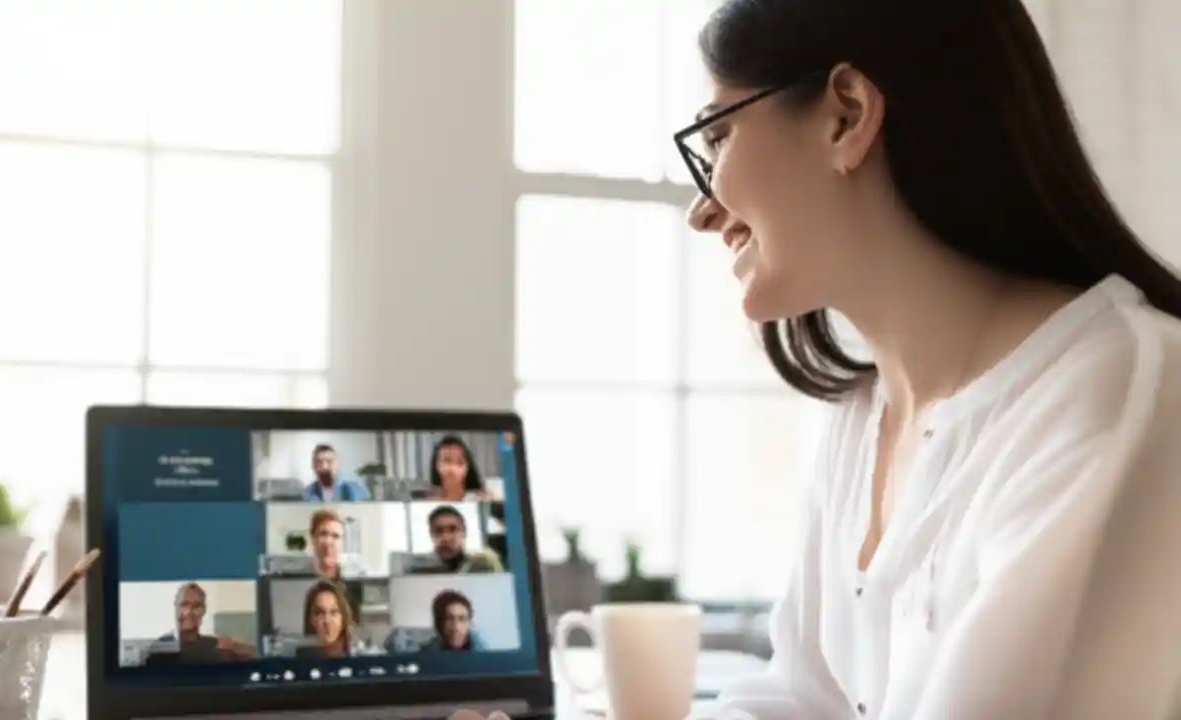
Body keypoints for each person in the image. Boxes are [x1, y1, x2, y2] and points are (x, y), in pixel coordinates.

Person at [462, 0, 1181, 716]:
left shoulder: (1118, 390)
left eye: (718, 138)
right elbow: (801, 699)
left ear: (845, 114)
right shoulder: (865, 416)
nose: (702, 209)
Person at [145, 582, 256, 664]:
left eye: (196, 606)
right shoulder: (161, 648)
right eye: (184, 605)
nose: (189, 612)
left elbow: (261, 656)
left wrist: (236, 648)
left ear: (204, 611)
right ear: (176, 608)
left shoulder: (215, 646)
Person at [308, 508, 365, 617]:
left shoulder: (354, 585)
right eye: (323, 534)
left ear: (342, 543)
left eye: (335, 536)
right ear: (313, 539)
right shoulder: (304, 584)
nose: (329, 542)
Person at [414, 505, 503, 574]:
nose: (446, 537)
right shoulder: (422, 568)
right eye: (438, 531)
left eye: (453, 529)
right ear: (431, 534)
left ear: (464, 532)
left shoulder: (484, 563)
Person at [296, 580, 354, 659]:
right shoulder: (298, 660)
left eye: (334, 612)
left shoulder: (358, 657)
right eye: (320, 613)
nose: (327, 621)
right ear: (310, 619)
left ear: (343, 618)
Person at [420, 590, 487, 652]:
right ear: (438, 623)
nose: (456, 627)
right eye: (449, 619)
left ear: (469, 622)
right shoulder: (423, 654)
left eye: (461, 619)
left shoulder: (485, 653)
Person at [428, 436, 489, 501]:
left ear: (467, 467)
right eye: (447, 461)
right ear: (436, 465)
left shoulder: (479, 500)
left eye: (460, 462)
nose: (453, 468)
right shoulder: (428, 503)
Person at [302, 443, 371, 502]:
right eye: (319, 462)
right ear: (313, 466)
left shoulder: (356, 489)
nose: (324, 467)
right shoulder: (308, 493)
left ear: (337, 464)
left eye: (329, 461)